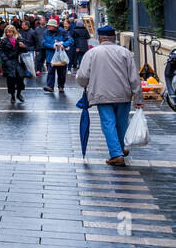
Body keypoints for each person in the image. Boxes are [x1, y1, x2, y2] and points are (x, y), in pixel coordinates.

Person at [76, 25, 143, 166]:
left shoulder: (92, 53)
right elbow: (134, 78)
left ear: (99, 38)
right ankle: (118, 148)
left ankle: (116, 153)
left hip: (102, 95)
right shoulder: (125, 53)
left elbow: (82, 76)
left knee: (108, 123)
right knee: (121, 123)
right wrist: (138, 98)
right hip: (123, 94)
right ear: (114, 38)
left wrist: (85, 85)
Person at [0, 24, 31, 103]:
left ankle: (19, 94)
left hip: (18, 62)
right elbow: (1, 51)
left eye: (10, 32)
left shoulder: (19, 39)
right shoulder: (3, 41)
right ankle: (12, 95)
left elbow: (26, 49)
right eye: (7, 32)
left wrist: (23, 46)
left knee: (20, 79)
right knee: (11, 80)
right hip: (9, 63)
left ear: (13, 32)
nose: (8, 34)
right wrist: (6, 60)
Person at [41, 19, 72, 93]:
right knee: (50, 72)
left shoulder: (63, 32)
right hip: (50, 56)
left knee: (61, 73)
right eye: (48, 25)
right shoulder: (46, 32)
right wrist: (52, 46)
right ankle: (50, 86)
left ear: (55, 26)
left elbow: (70, 40)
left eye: (50, 26)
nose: (48, 27)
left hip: (61, 56)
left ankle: (61, 86)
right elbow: (43, 42)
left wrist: (63, 45)